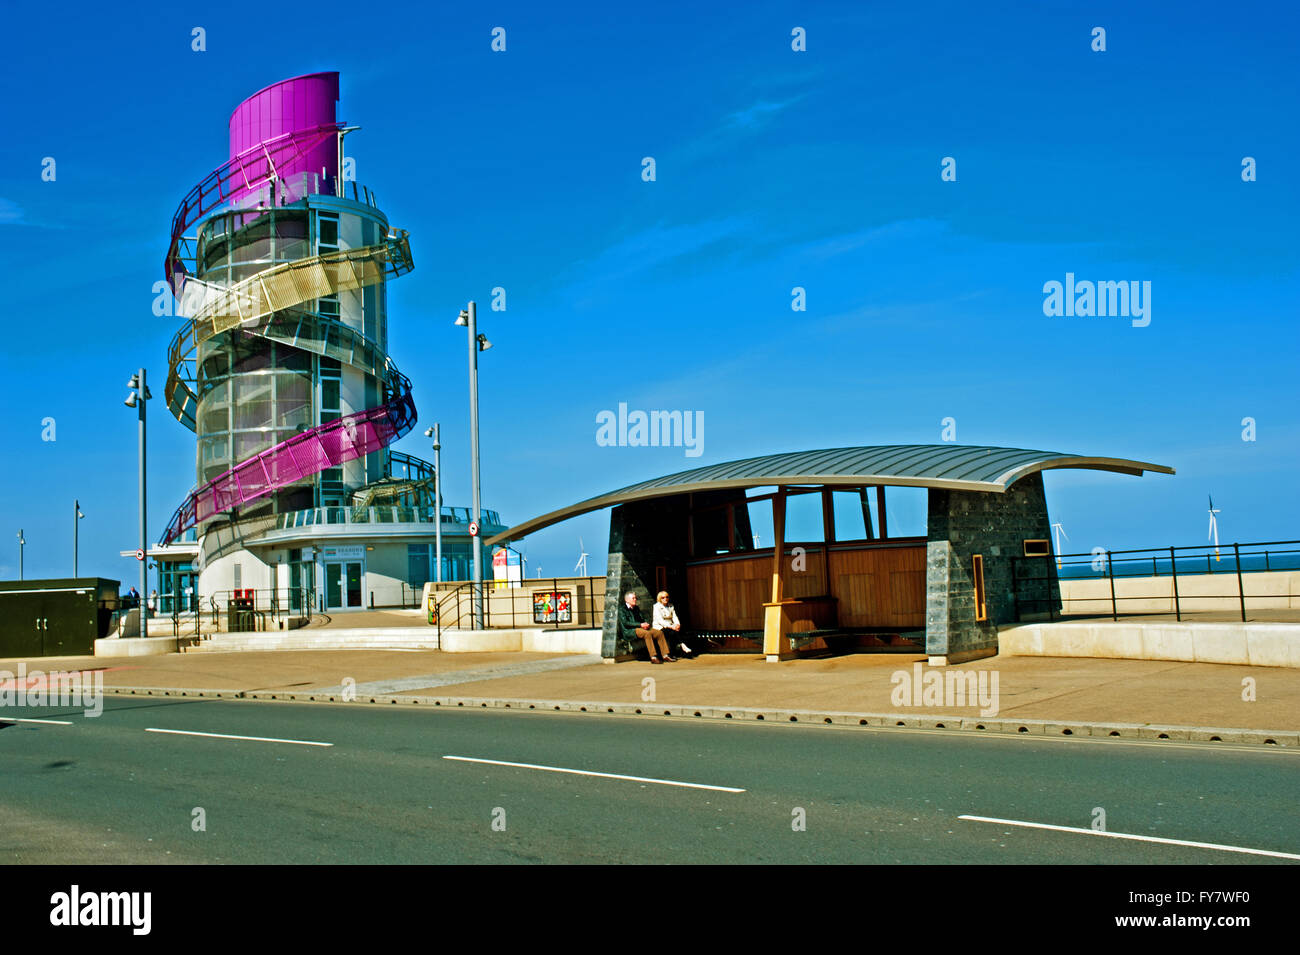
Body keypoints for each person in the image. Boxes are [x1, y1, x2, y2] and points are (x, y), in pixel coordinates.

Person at [618, 591, 674, 663]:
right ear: (627, 600)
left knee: (659, 633)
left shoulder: (636, 608)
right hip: (630, 630)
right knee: (647, 634)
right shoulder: (622, 609)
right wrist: (640, 625)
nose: (635, 599)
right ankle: (653, 657)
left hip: (640, 628)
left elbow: (642, 618)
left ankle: (665, 655)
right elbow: (625, 623)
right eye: (633, 598)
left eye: (635, 598)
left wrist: (645, 623)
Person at [653, 590, 696, 658]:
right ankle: (682, 645)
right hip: (660, 626)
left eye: (667, 597)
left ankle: (679, 649)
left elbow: (674, 616)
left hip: (671, 625)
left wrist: (677, 624)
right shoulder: (656, 606)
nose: (665, 599)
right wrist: (671, 626)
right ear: (659, 598)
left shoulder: (671, 606)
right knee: (672, 632)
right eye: (663, 597)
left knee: (679, 631)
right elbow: (660, 620)